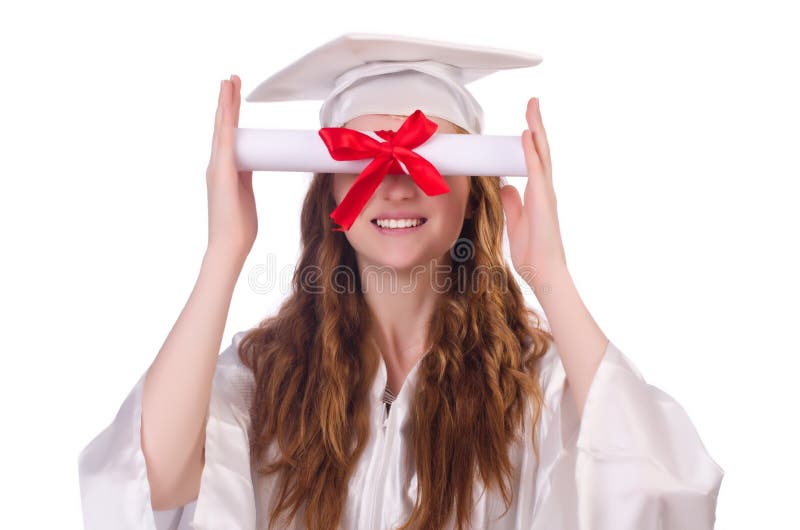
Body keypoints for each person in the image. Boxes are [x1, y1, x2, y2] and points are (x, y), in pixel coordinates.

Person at [77, 34, 724, 530]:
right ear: (330, 187)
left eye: (426, 156)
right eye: (363, 158)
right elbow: (146, 488)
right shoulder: (264, 377)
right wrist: (223, 251)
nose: (394, 183)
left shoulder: (537, 386)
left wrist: (550, 275)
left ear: (471, 189)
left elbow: (661, 500)